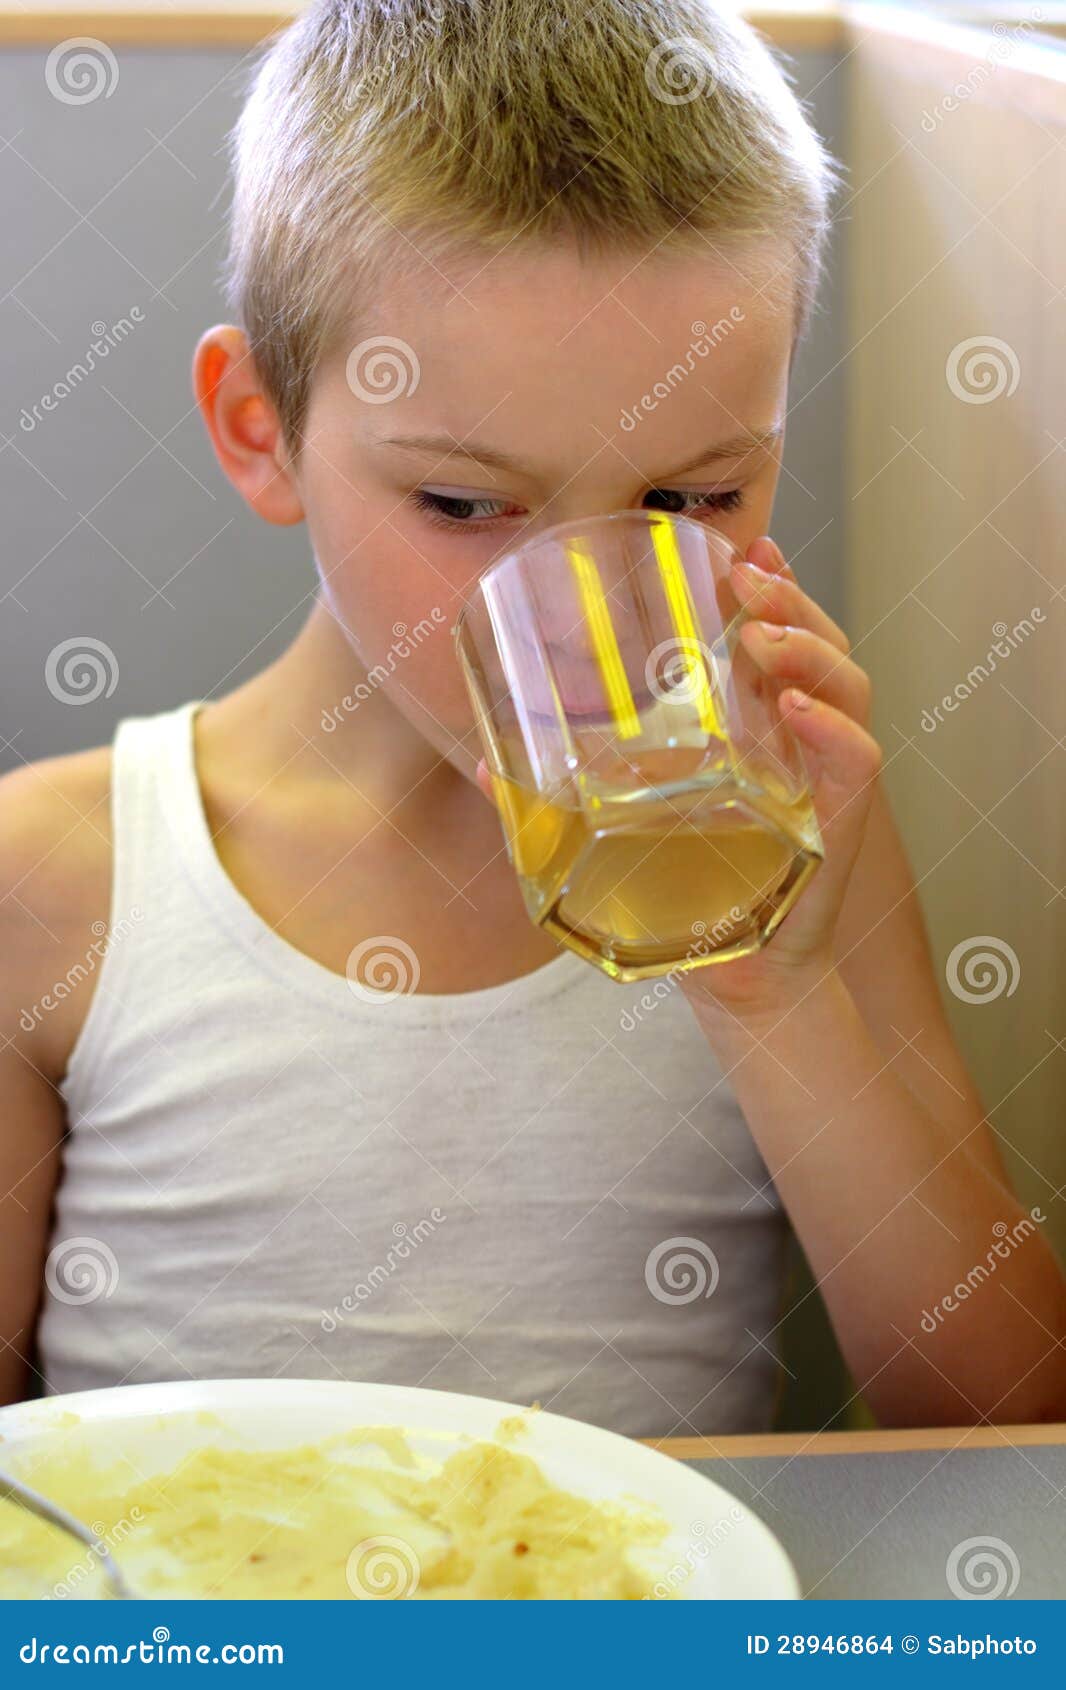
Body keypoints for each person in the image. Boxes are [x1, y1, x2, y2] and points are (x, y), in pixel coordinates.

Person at [2, 0, 1064, 1434]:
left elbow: (1006, 1439)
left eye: (691, 498)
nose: (590, 611)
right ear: (262, 429)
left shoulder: (788, 843)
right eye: (463, 504)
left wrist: (775, 986)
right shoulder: (58, 878)